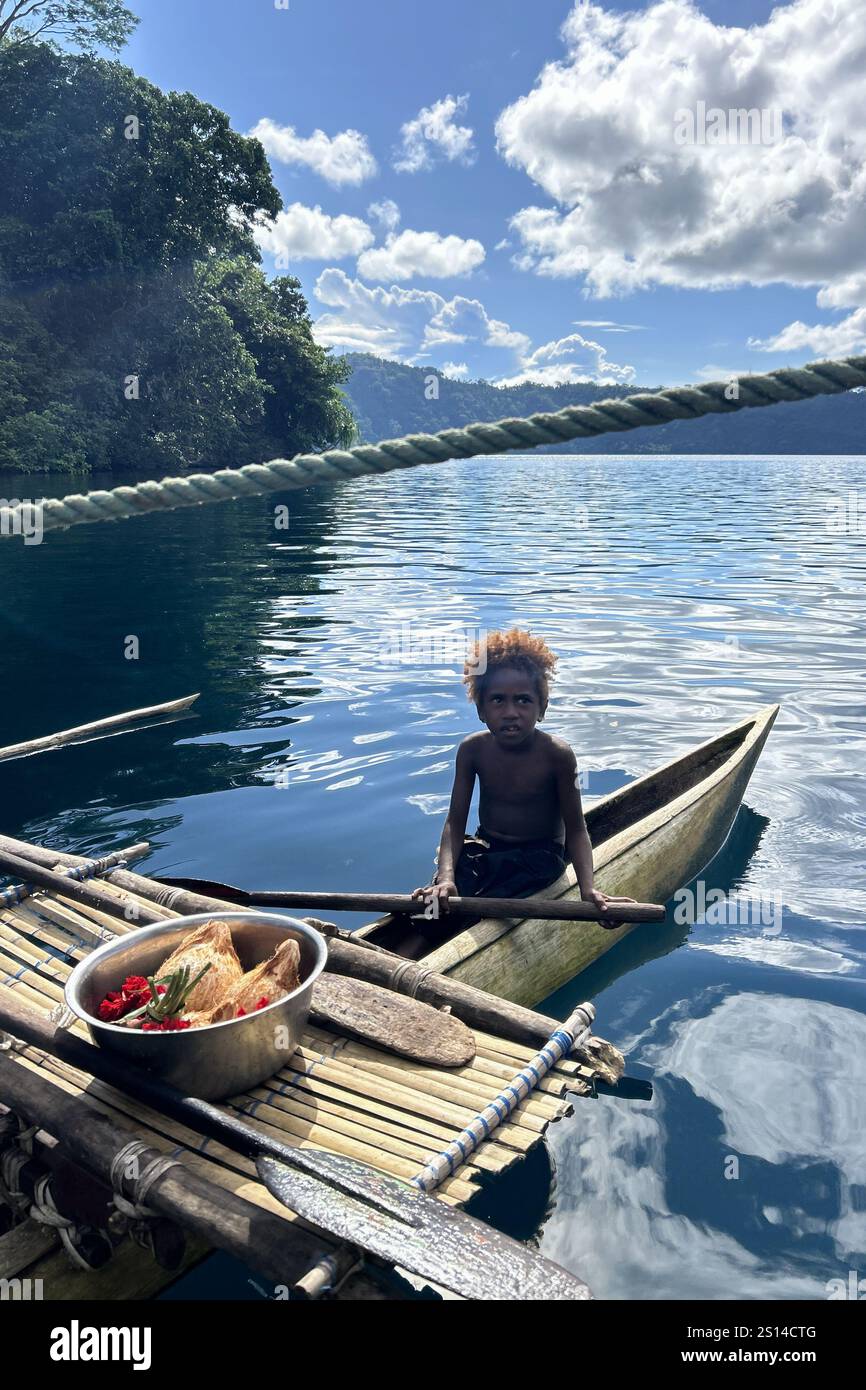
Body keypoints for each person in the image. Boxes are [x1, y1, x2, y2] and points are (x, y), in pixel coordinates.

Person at [411, 628, 633, 941]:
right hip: (487, 850)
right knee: (434, 900)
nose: (511, 713)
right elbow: (455, 822)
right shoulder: (472, 750)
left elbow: (576, 828)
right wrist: (446, 876)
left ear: (542, 708)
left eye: (523, 701)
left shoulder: (557, 755)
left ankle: (459, 933)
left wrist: (588, 891)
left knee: (485, 901)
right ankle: (416, 936)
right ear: (481, 709)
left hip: (538, 859)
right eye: (498, 700)